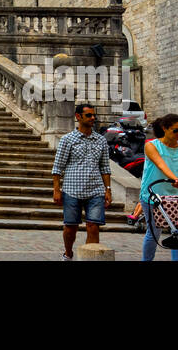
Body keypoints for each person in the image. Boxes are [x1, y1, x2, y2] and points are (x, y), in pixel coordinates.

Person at [52, 103, 112, 260]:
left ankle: (89, 258)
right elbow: (58, 167)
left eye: (94, 115)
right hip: (72, 190)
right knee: (70, 227)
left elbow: (105, 168)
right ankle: (68, 253)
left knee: (93, 226)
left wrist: (108, 190)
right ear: (78, 117)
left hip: (96, 190)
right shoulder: (67, 140)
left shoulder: (101, 140)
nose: (93, 118)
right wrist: (57, 190)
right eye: (89, 115)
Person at [138, 114, 178, 261]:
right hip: (153, 196)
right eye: (175, 130)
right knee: (154, 232)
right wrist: (174, 178)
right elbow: (161, 164)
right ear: (164, 128)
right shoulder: (151, 145)